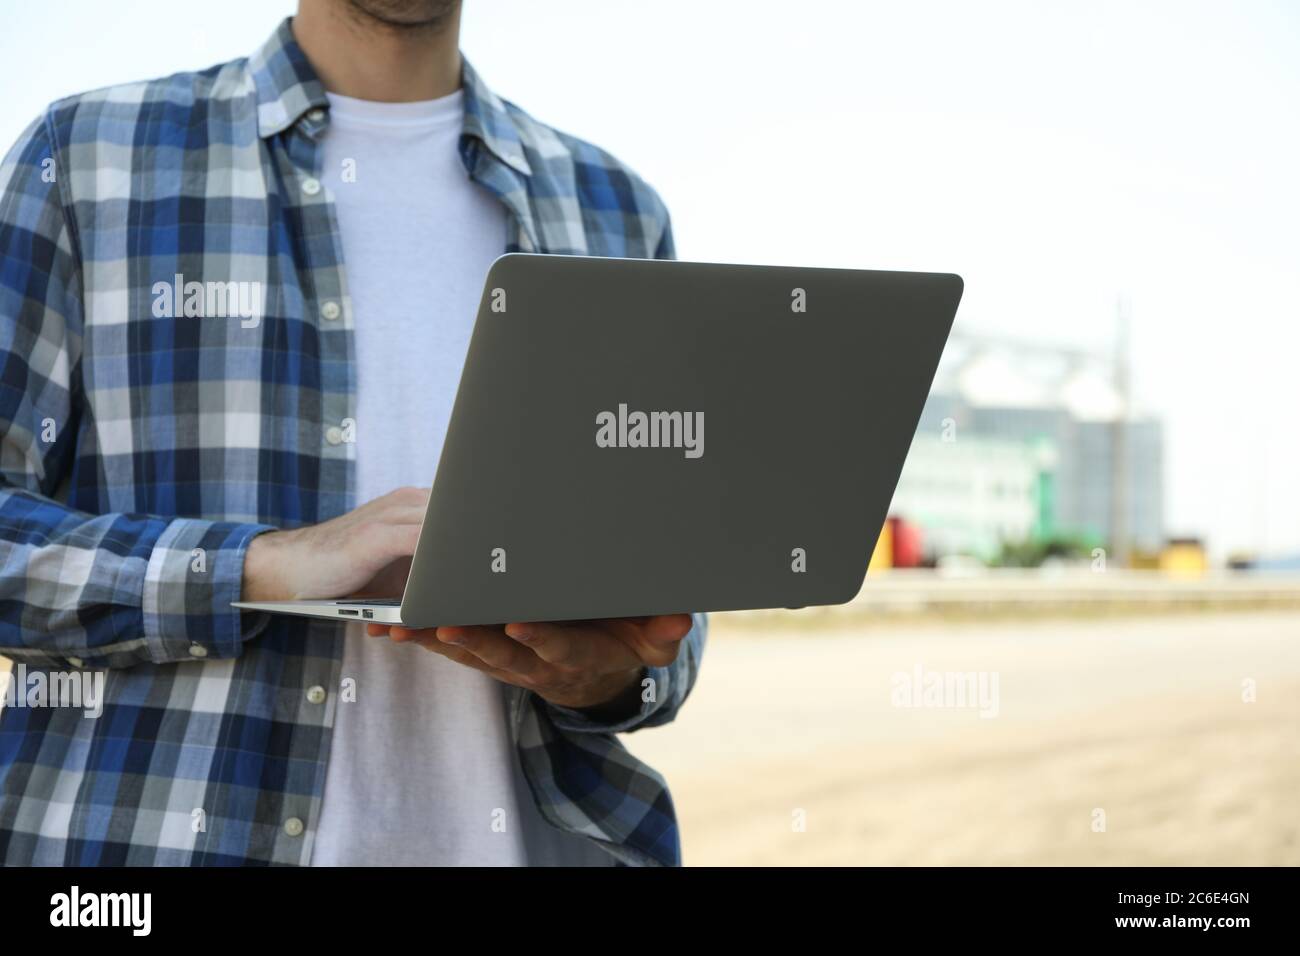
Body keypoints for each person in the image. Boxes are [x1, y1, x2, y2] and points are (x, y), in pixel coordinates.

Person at [0, 0, 705, 866]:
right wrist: (259, 566)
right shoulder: (83, 159)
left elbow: (669, 605)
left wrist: (608, 677)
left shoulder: (617, 210)